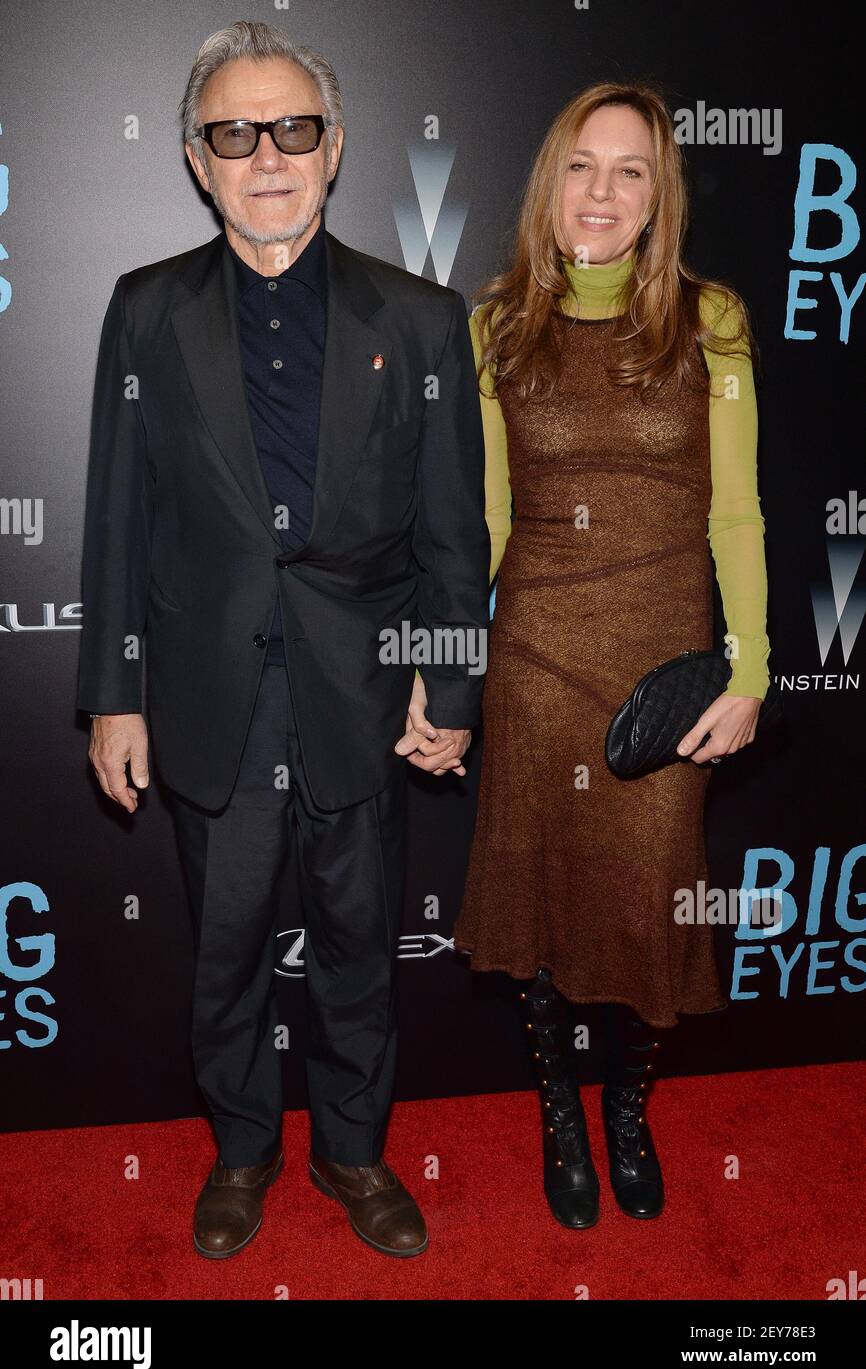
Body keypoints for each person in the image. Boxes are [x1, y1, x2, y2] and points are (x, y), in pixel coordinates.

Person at [76, 20, 489, 1260]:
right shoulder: (145, 311)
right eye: (234, 134)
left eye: (293, 128)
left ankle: (356, 1155)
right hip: (209, 692)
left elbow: (453, 533)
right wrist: (114, 694)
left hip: (359, 688)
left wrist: (451, 686)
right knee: (227, 951)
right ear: (200, 161)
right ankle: (243, 1152)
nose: (267, 156)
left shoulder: (418, 318)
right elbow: (116, 522)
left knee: (363, 941)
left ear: (336, 146)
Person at [454, 82, 770, 1229]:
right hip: (535, 656)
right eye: (581, 165)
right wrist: (449, 679)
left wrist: (747, 673)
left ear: (656, 197)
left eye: (628, 170)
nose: (601, 191)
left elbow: (734, 512)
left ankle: (626, 1110)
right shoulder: (494, 325)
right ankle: (558, 1116)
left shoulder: (713, 321)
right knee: (539, 916)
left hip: (664, 676)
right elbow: (488, 517)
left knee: (649, 908)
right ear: (551, 183)